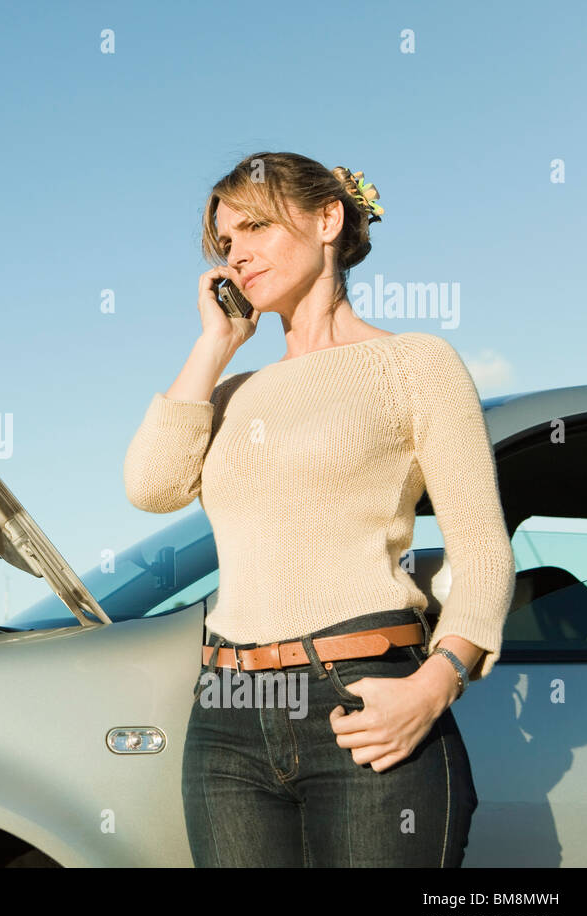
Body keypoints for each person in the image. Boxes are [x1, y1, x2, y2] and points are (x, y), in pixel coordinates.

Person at [123, 152, 515, 867]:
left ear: (328, 220)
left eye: (255, 226)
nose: (236, 251)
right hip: (228, 713)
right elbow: (150, 484)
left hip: (363, 693)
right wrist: (214, 344)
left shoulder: (414, 363)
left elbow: (484, 551)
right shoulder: (230, 389)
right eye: (224, 240)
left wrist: (434, 686)